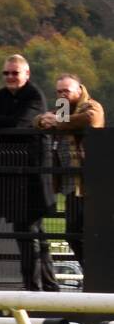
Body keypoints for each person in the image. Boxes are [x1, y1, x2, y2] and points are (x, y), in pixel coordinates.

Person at [0, 55, 57, 291]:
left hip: (32, 174)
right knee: (28, 230)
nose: (9, 77)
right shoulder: (2, 95)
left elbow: (19, 124)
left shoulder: (34, 96)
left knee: (29, 230)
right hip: (12, 171)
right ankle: (44, 285)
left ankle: (35, 286)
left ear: (26, 74)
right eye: (6, 73)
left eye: (14, 73)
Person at [36, 73, 104, 264]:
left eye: (66, 91)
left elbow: (91, 119)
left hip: (89, 183)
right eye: (58, 91)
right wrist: (44, 120)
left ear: (78, 90)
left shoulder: (91, 105)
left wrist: (57, 121)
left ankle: (97, 274)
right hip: (70, 185)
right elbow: (41, 121)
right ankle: (90, 271)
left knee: (91, 233)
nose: (62, 95)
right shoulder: (63, 108)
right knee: (72, 233)